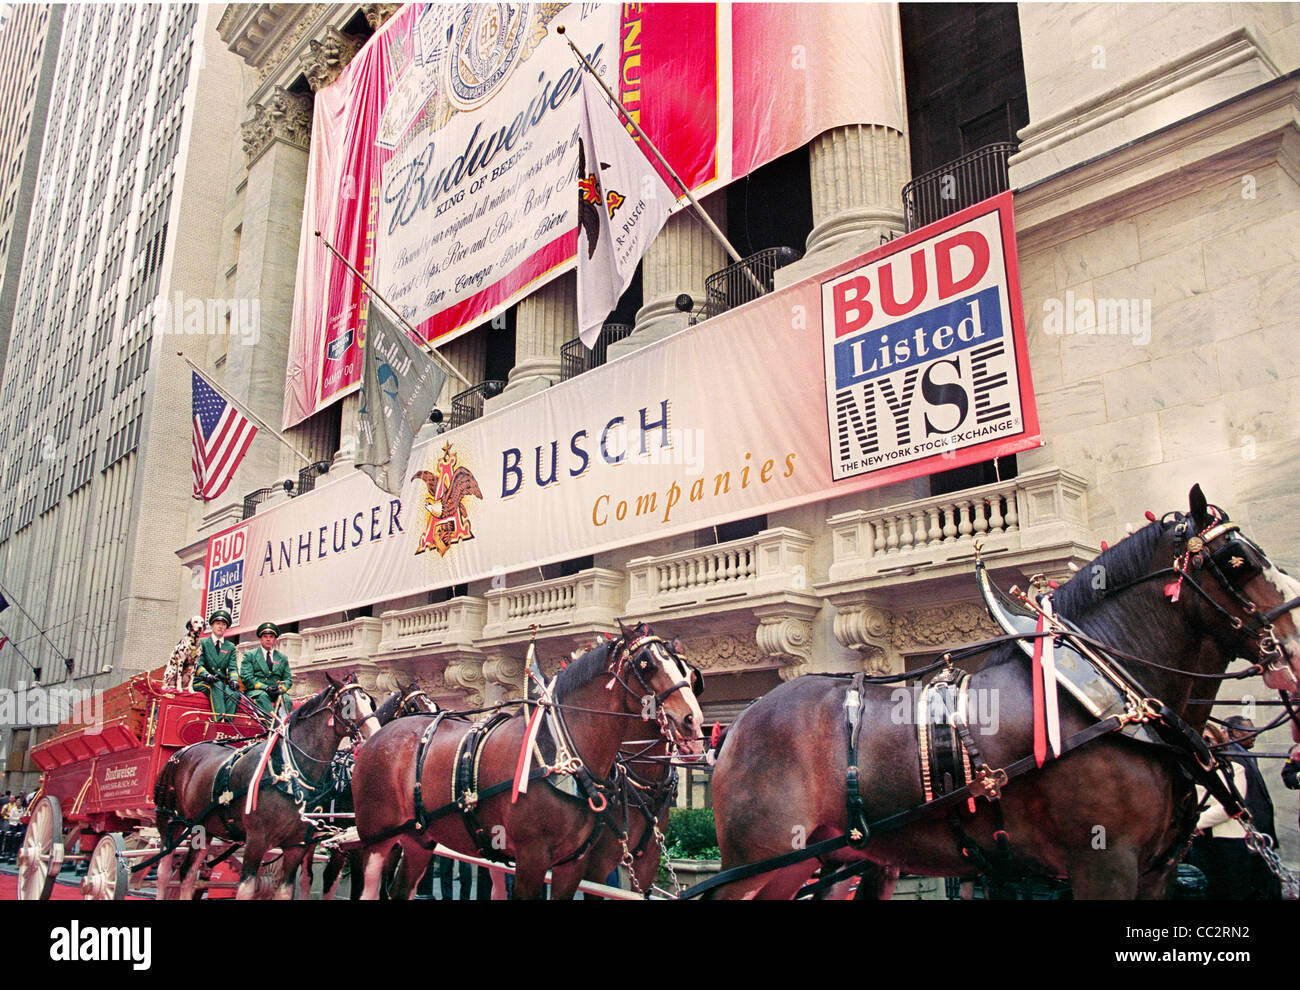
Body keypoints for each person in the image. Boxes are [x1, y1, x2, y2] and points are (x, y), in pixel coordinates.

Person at [194, 609, 241, 721]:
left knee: (234, 694)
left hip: (221, 682)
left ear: (226, 627)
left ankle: (227, 726)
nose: (220, 627)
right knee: (217, 686)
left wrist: (234, 680)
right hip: (203, 681)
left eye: (223, 624)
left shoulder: (230, 647)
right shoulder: (202, 642)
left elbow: (233, 667)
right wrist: (206, 675)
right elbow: (197, 664)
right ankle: (219, 721)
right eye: (217, 623)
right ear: (212, 625)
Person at [240, 622, 292, 716]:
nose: (268, 639)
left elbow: (288, 679)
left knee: (286, 699)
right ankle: (274, 724)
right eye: (265, 636)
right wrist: (266, 688)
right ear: (260, 638)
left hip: (276, 692)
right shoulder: (250, 655)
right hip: (258, 691)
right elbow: (246, 677)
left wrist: (281, 689)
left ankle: (284, 724)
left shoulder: (282, 658)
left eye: (271, 637)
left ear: (275, 639)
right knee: (262, 696)